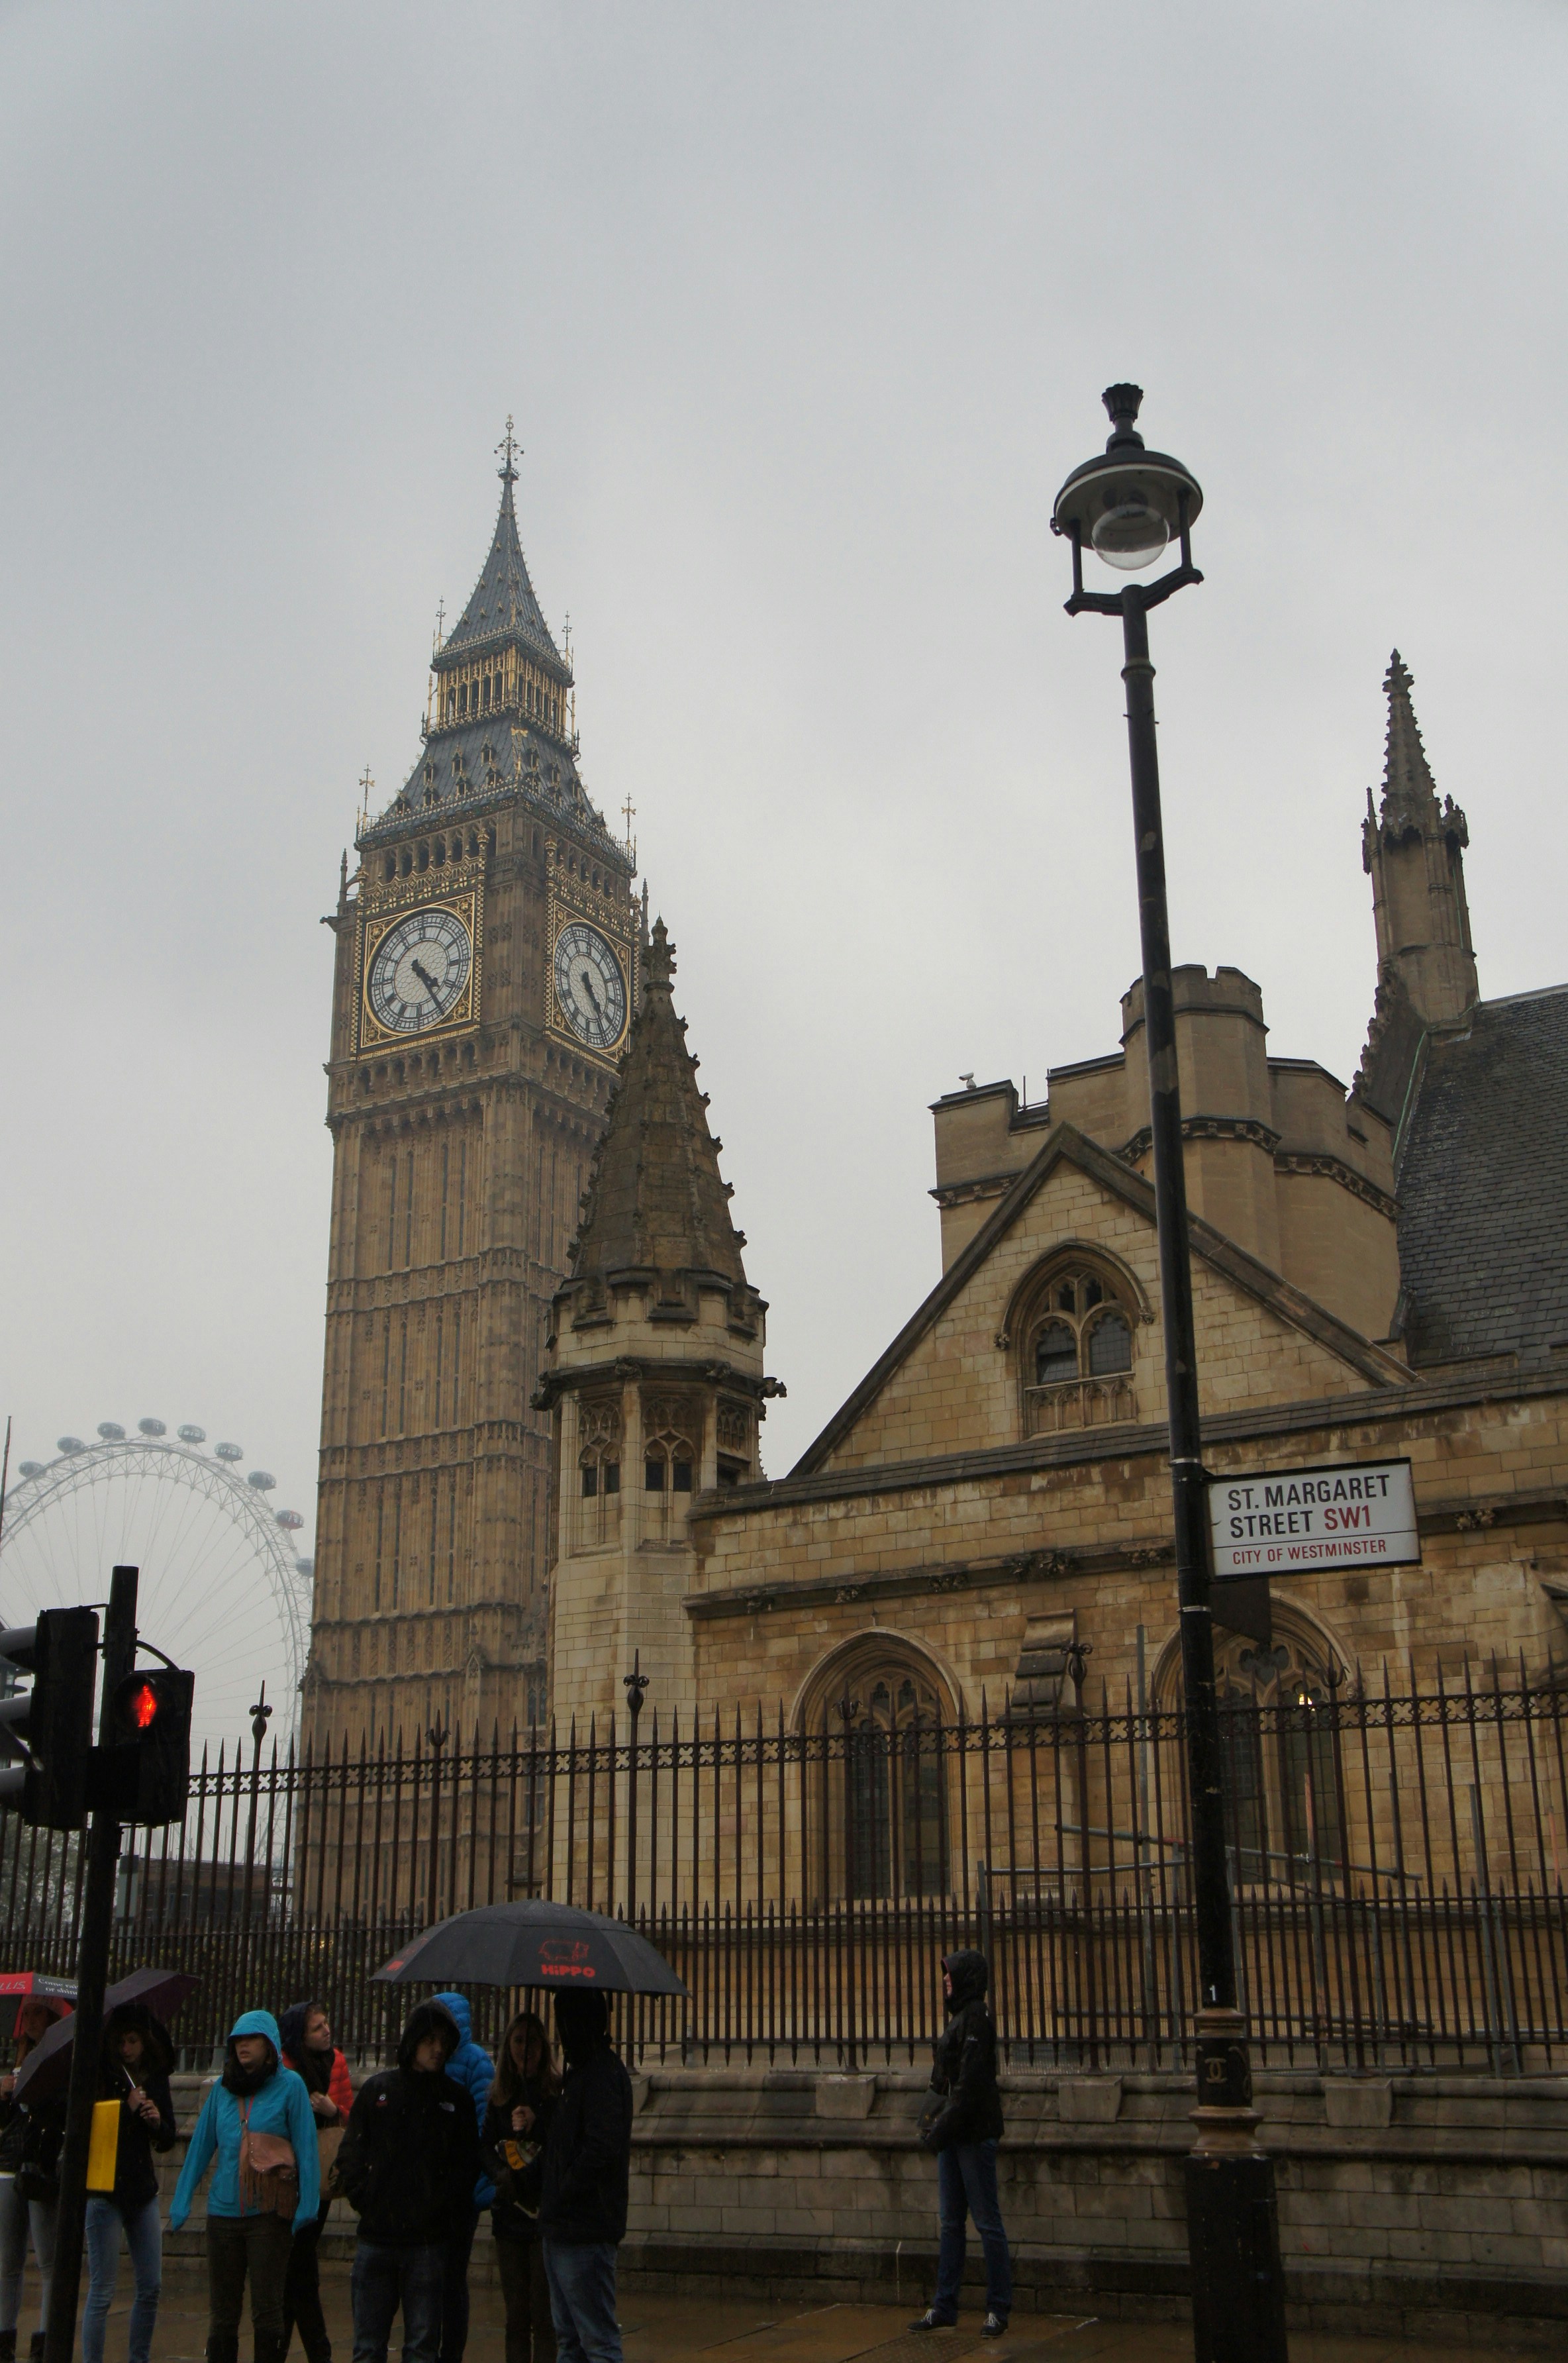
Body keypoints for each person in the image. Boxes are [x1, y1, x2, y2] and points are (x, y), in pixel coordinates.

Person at [170, 2009, 320, 2363]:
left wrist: (308, 2205)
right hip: (222, 2216)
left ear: (270, 2046)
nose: (243, 2046)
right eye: (237, 2040)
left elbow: (307, 2148)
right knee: (223, 2315)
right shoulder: (223, 2089)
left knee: (267, 2311)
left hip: (268, 2215)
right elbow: (200, 2147)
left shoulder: (291, 2086)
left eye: (251, 2039)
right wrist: (181, 2198)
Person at [334, 2000, 480, 2363]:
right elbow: (351, 2151)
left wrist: (440, 2208)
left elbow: (467, 2165)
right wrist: (365, 2197)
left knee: (421, 2348)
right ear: (414, 2040)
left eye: (444, 2041)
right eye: (430, 2039)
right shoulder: (378, 2090)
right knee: (368, 2346)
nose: (438, 2048)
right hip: (377, 2237)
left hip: (427, 2243)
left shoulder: (454, 2099)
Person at [909, 1950, 1010, 2339]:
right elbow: (942, 2080)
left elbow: (968, 2086)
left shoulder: (978, 2019)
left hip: (972, 2134)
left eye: (951, 1975)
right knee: (951, 2223)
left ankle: (998, 2309)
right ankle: (944, 2305)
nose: (946, 1981)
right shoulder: (960, 2018)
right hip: (955, 2135)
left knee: (987, 2223)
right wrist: (928, 2121)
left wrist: (939, 2131)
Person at [538, 1992, 633, 2363]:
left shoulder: (603, 2075)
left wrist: (562, 2190)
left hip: (584, 2227)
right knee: (571, 2341)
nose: (560, 2033)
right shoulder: (581, 2074)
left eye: (564, 2023)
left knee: (597, 2342)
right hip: (563, 2226)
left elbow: (599, 2150)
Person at [81, 2003, 179, 2363]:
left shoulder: (154, 2078)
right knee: (102, 2289)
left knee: (150, 2285)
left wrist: (154, 2121)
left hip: (142, 2190)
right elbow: (88, 2128)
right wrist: (126, 2106)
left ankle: (139, 2357)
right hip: (105, 2189)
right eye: (122, 2041)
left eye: (134, 2041)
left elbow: (167, 2137)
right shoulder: (103, 2076)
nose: (127, 2049)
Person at [277, 2001, 356, 2363]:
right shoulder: (284, 2066)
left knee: (299, 2264)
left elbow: (352, 2119)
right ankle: (314, 2350)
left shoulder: (337, 2062)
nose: (326, 2031)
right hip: (288, 2175)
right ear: (299, 2037)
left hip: (320, 2174)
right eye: (316, 2028)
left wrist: (331, 2111)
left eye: (326, 2024)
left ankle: (294, 2348)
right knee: (298, 2267)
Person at [479, 2014, 559, 2363]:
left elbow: (560, 2148)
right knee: (516, 2316)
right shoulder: (499, 2098)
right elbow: (484, 2147)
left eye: (532, 2042)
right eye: (518, 2042)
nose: (525, 2050)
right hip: (510, 2214)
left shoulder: (555, 2095)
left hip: (541, 2212)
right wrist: (500, 2174)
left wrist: (537, 2124)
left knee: (543, 2314)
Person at [0, 1995, 71, 2363]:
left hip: (40, 2165)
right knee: (7, 2260)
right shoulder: (16, 2061)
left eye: (38, 2012)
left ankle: (44, 2341)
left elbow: (62, 2111)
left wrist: (34, 2088)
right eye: (25, 2013)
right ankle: (4, 2337)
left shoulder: (60, 2060)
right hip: (10, 2162)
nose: (29, 2020)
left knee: (47, 2260)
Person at [428, 1995, 493, 2363]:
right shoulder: (429, 2060)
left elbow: (484, 2123)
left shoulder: (475, 2062)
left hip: (460, 2187)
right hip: (430, 2186)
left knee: (452, 2278)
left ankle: (450, 2352)